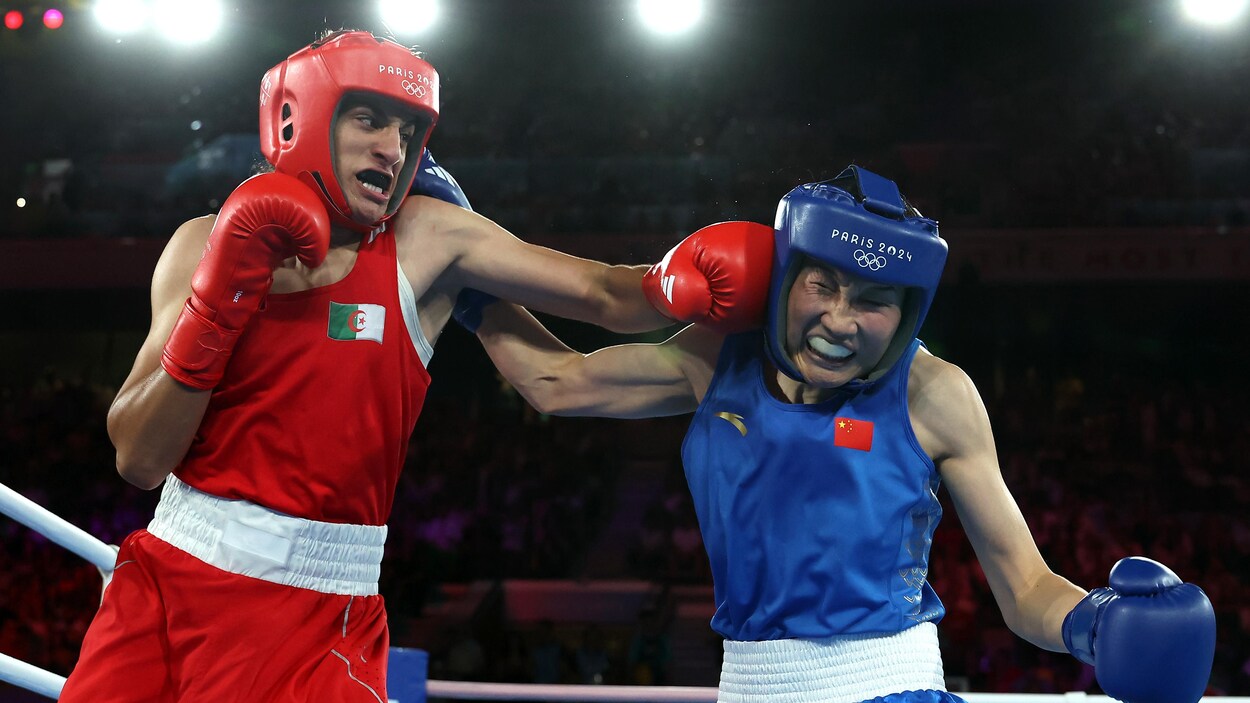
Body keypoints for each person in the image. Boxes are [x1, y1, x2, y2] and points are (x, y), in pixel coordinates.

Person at [58, 30, 690, 702]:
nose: (393, 147)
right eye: (369, 118)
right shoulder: (200, 245)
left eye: (410, 128)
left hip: (319, 617)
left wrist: (740, 286)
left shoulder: (428, 239)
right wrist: (218, 307)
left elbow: (608, 296)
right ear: (299, 117)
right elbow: (137, 458)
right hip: (169, 584)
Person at [460, 166, 1218, 703]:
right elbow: (555, 383)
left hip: (882, 683)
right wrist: (463, 274)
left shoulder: (935, 394)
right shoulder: (715, 357)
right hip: (748, 684)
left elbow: (1024, 586)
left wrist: (1092, 623)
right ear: (787, 277)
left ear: (907, 312)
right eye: (822, 284)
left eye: (873, 300)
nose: (838, 319)